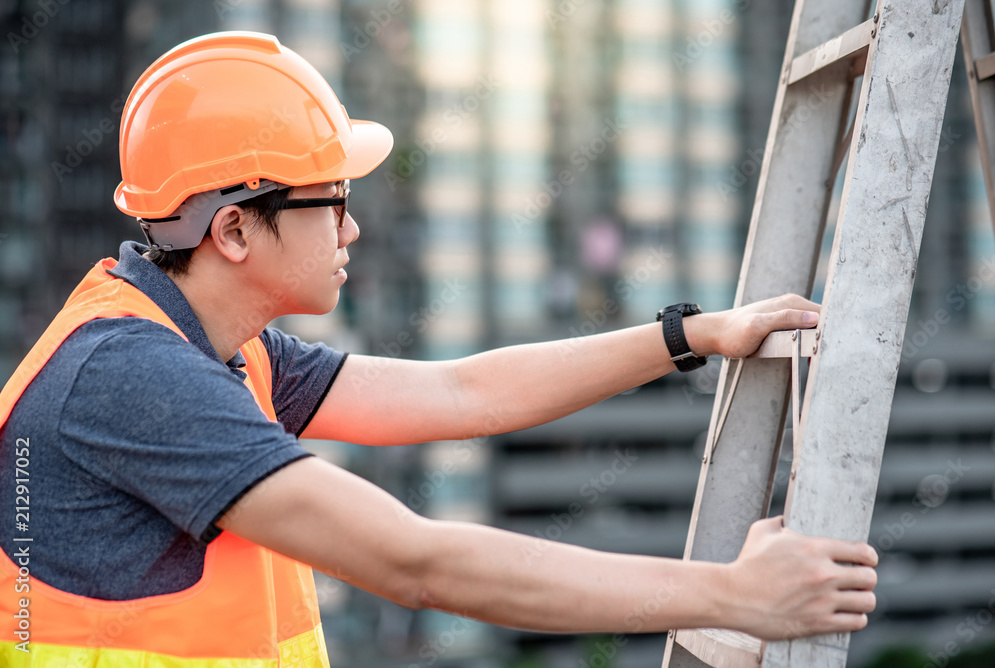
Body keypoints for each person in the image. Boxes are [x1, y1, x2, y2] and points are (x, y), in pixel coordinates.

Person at [0, 31, 876, 665]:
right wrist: (737, 595)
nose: (353, 225)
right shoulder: (133, 378)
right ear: (233, 228)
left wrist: (688, 336)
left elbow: (462, 395)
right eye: (330, 198)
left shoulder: (219, 348)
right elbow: (415, 563)